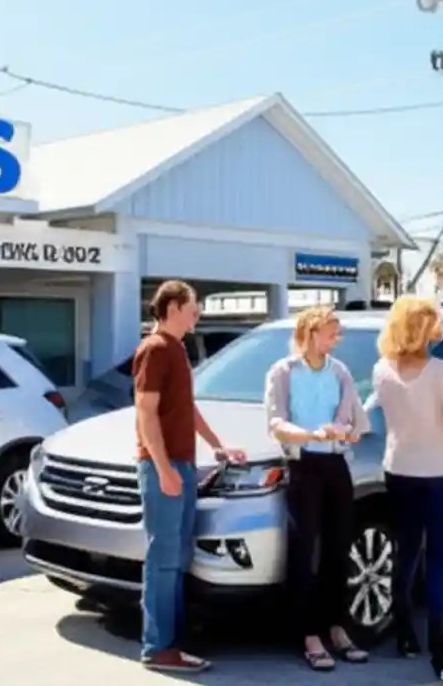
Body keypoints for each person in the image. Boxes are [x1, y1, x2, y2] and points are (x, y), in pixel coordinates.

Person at [363, 295, 443, 682]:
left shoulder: (382, 369)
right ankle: (442, 650)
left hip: (399, 469)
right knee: (439, 559)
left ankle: (405, 635)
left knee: (406, 553)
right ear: (423, 329)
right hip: (438, 472)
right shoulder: (440, 371)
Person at [134, 279, 247, 673]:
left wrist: (216, 445)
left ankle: (174, 641)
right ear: (174, 307)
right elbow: (145, 413)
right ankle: (157, 646)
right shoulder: (155, 349)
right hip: (162, 467)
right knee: (163, 559)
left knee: (178, 556)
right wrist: (163, 469)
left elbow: (187, 408)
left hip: (183, 464)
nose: (198, 312)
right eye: (193, 305)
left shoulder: (177, 350)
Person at [264, 306, 372, 671]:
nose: (336, 339)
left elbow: (358, 420)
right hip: (303, 464)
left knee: (339, 547)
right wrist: (311, 433)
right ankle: (308, 635)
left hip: (335, 464)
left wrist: (347, 429)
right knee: (304, 547)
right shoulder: (283, 372)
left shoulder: (339, 371)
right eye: (331, 333)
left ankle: (337, 628)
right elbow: (276, 423)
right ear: (310, 333)